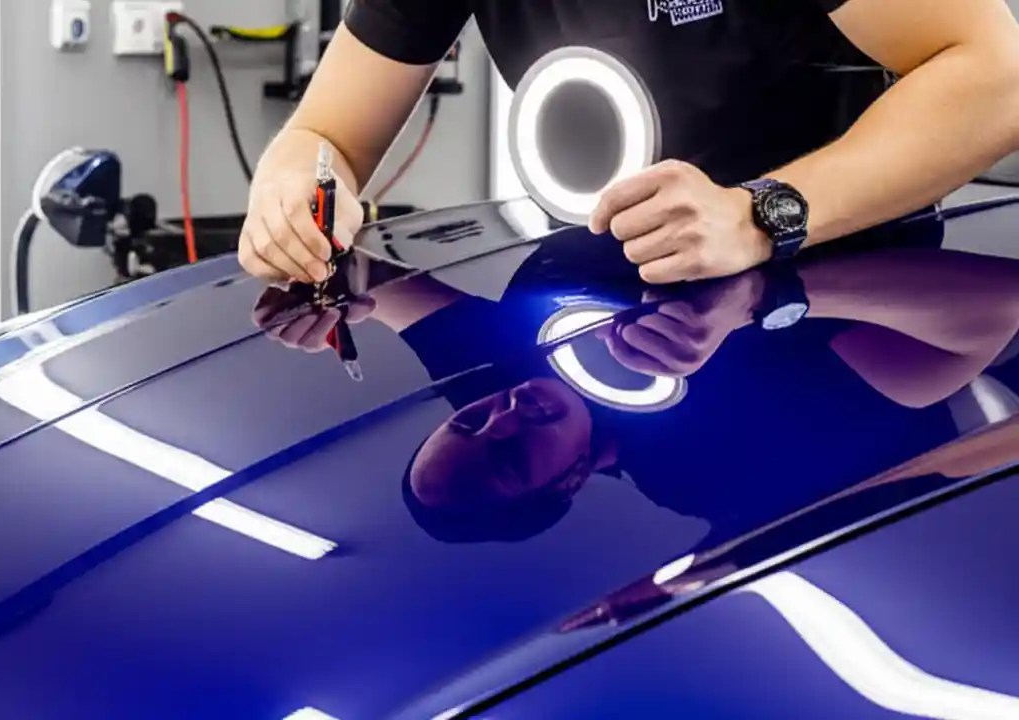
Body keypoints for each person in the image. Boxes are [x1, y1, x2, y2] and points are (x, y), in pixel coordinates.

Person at [254, 218, 1019, 544]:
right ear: (568, 484)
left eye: (467, 425)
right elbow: (999, 308)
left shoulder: (495, 378)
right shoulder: (711, 466)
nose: (502, 417)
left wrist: (320, 280)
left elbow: (372, 284)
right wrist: (765, 296)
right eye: (510, 456)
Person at [237, 0, 1019, 286]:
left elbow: (996, 76)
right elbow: (324, 135)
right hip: (619, 285)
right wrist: (291, 190)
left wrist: (756, 216)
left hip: (841, 269)